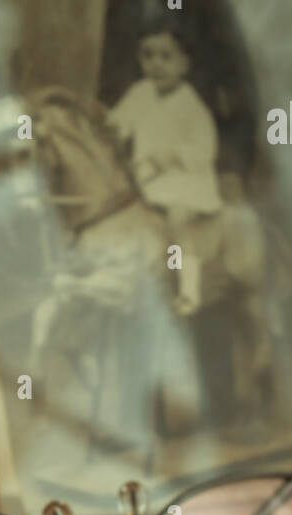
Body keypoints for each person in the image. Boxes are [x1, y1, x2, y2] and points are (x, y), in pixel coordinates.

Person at [109, 22, 222, 313]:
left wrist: (172, 155)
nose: (156, 64)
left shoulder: (192, 106)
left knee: (177, 222)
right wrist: (107, 126)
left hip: (185, 183)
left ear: (184, 64)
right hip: (147, 180)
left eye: (166, 56)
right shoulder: (140, 93)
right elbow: (119, 125)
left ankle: (187, 287)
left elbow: (204, 151)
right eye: (148, 56)